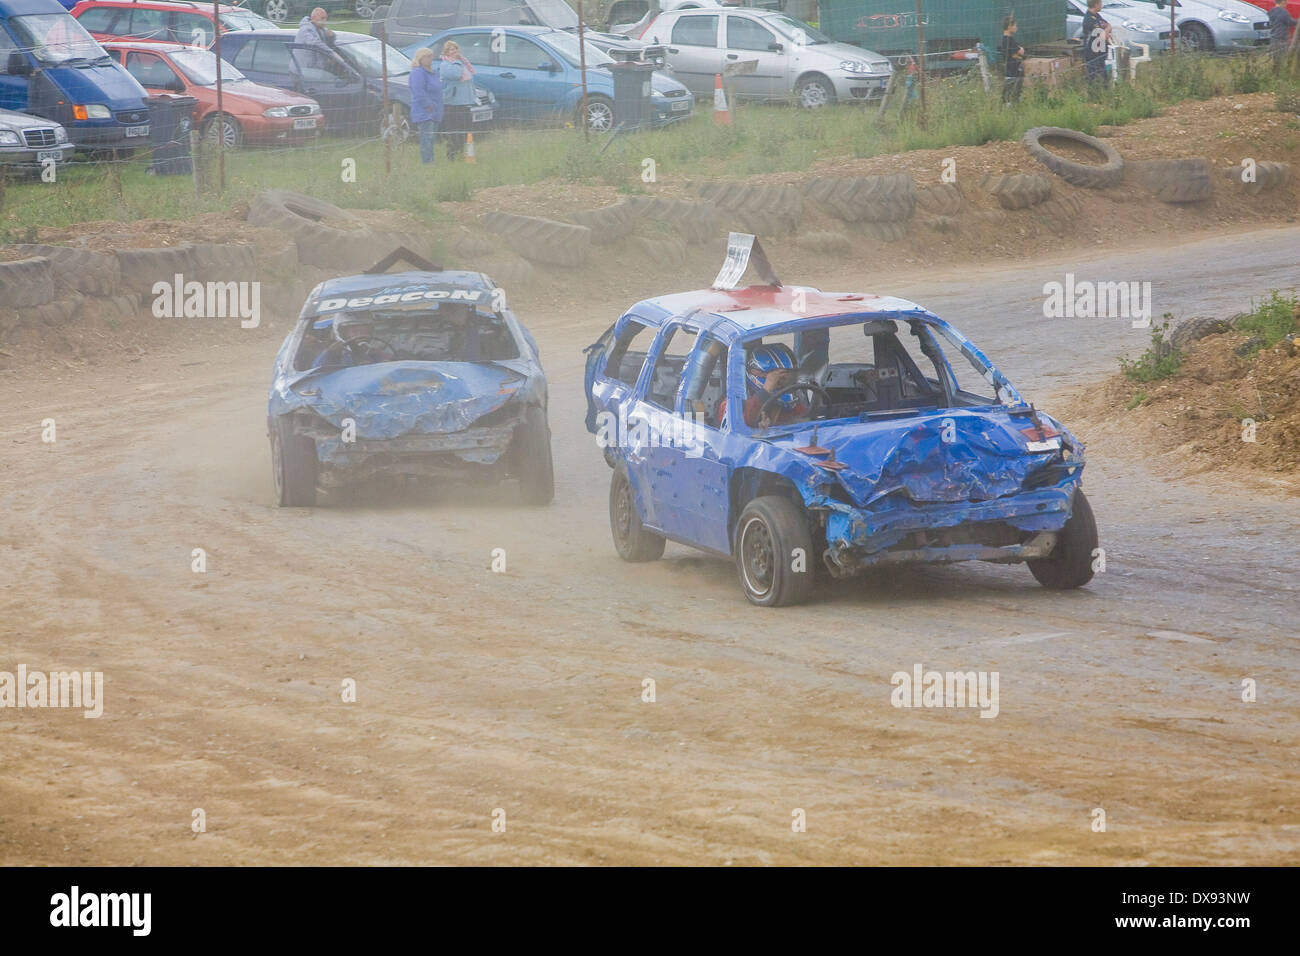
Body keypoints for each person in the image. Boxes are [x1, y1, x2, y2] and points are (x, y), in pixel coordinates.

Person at [722, 344, 810, 428]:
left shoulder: (790, 403)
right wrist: (766, 390)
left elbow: (806, 420)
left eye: (791, 379)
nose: (788, 385)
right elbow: (738, 429)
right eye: (782, 379)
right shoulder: (732, 403)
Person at [310, 315, 394, 371]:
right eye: (354, 330)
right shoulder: (335, 355)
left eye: (364, 329)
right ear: (342, 332)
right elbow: (316, 371)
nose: (360, 333)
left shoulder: (376, 353)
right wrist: (330, 353)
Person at [438, 40, 476, 161]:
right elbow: (456, 75)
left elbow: (470, 78)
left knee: (464, 131)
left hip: (465, 103)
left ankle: (461, 152)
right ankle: (451, 156)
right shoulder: (446, 65)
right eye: (451, 49)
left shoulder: (462, 63)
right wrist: (457, 62)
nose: (454, 51)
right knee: (453, 131)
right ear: (446, 52)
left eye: (456, 49)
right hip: (452, 103)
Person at [409, 48, 444, 165]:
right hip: (425, 111)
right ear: (420, 58)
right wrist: (427, 105)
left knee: (432, 138)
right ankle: (427, 162)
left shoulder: (434, 72)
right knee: (426, 139)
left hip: (436, 110)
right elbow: (418, 91)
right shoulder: (417, 72)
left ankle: (431, 160)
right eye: (427, 56)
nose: (430, 59)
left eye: (431, 56)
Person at [1081, 0, 1111, 89]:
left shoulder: (1097, 16)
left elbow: (1108, 25)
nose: (1102, 5)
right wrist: (1106, 31)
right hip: (1092, 53)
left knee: (1104, 75)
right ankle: (1093, 96)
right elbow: (1102, 36)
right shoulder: (1089, 20)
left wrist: (1106, 29)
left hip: (1101, 51)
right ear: (1096, 4)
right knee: (1093, 76)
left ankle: (1105, 94)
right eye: (1100, 3)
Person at [1000, 15, 1025, 105]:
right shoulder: (1008, 40)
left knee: (1016, 91)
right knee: (1011, 90)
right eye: (1015, 25)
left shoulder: (1010, 39)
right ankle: (1007, 105)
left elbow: (1018, 52)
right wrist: (1019, 53)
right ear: (1009, 26)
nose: (1016, 27)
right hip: (1012, 70)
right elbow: (1020, 52)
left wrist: (1018, 53)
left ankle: (1013, 104)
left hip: (1015, 69)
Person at [1269, 0, 1297, 69]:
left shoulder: (1271, 11)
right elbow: (1291, 22)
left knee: (1275, 59)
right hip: (1281, 37)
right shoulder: (1283, 12)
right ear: (1283, 2)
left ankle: (1275, 74)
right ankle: (1282, 73)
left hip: (1273, 37)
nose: (1286, 4)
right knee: (1282, 58)